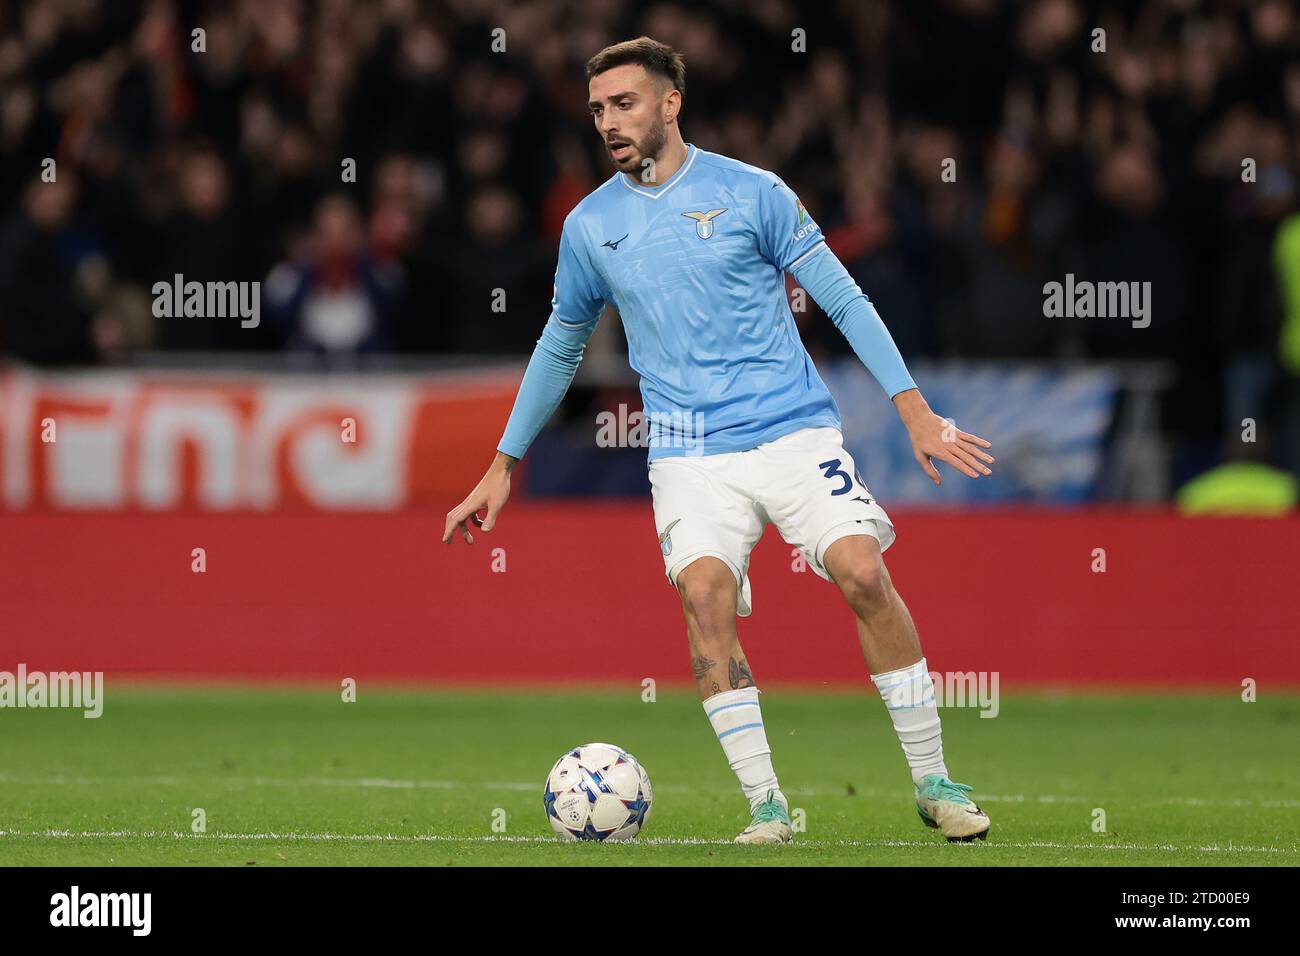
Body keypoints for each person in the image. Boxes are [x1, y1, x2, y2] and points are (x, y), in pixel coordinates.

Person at [443, 37, 994, 844]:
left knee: (862, 573)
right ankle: (768, 806)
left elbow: (841, 296)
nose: (609, 123)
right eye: (597, 110)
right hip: (688, 452)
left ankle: (934, 780)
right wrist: (502, 465)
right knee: (703, 596)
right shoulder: (591, 226)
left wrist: (913, 408)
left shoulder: (753, 192)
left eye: (624, 103)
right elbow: (560, 345)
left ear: (671, 102)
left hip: (792, 429)